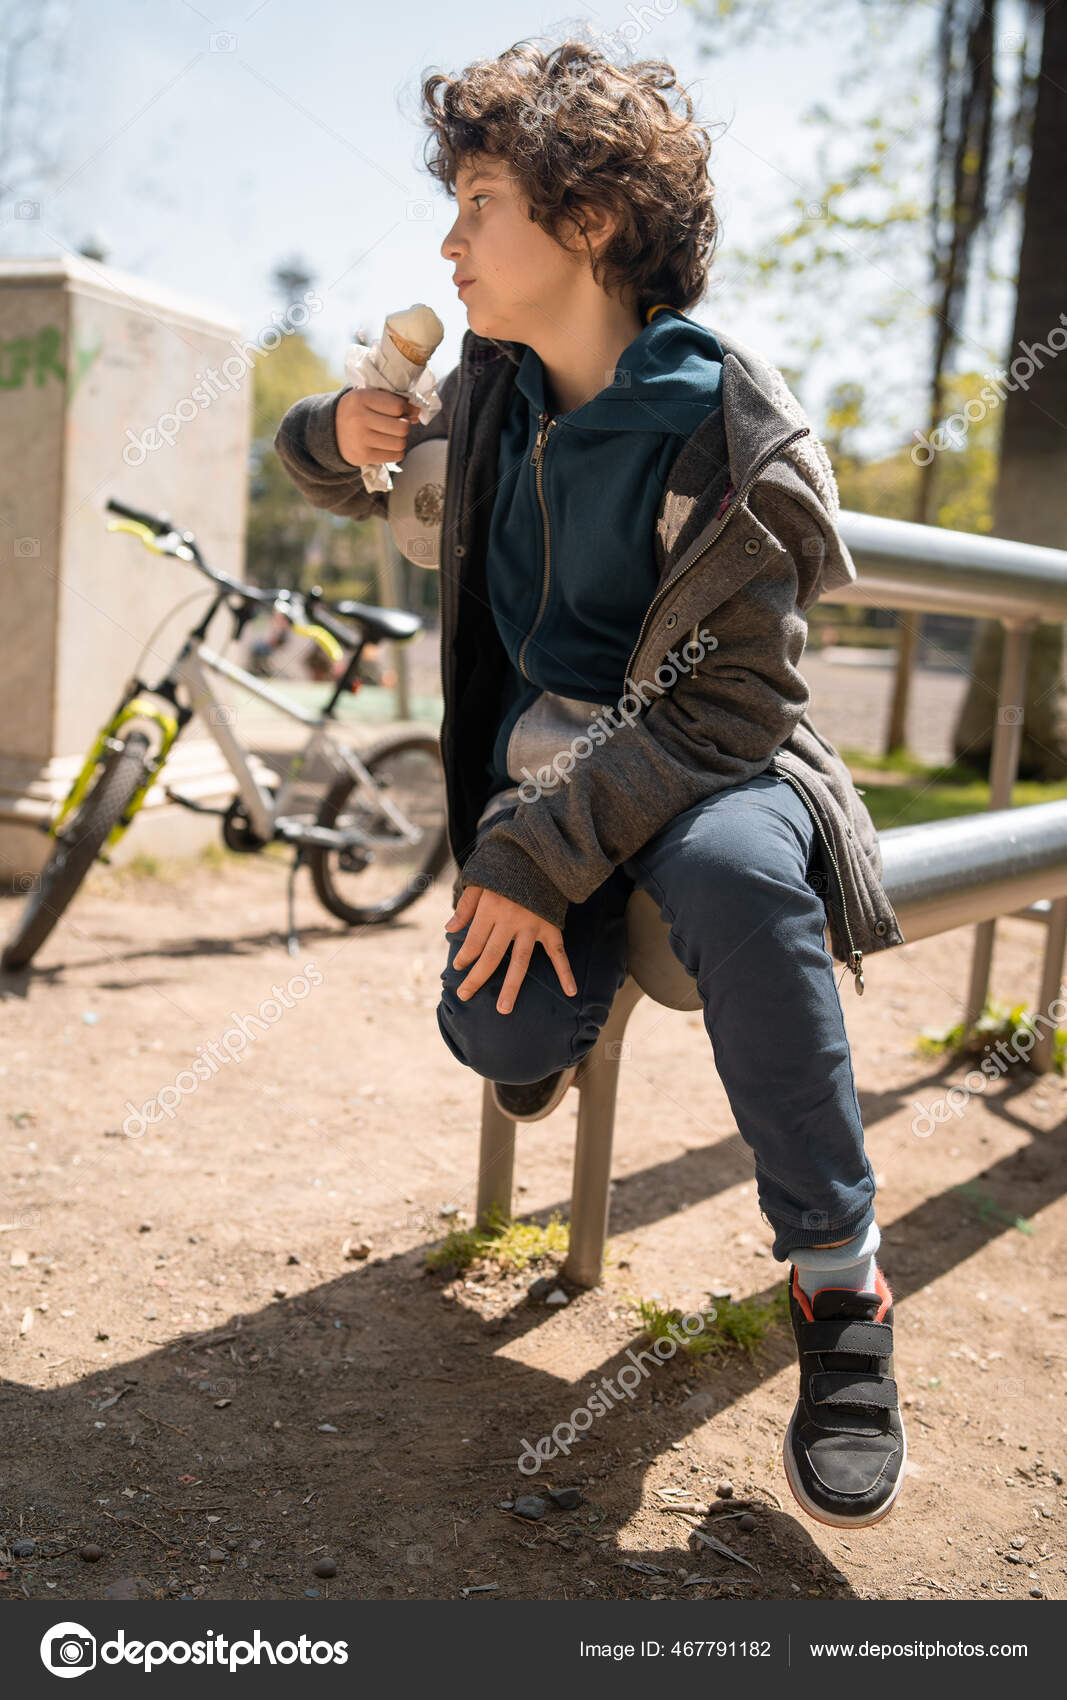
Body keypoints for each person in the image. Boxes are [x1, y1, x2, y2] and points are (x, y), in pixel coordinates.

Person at [274, 37, 906, 1528]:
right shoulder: (484, 394)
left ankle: (840, 1286)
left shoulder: (726, 425)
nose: (448, 241)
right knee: (497, 1031)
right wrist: (330, 433)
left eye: (479, 202)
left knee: (737, 882)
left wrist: (540, 846)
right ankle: (549, 1025)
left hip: (716, 763)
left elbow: (737, 701)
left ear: (593, 220)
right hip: (548, 779)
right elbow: (330, 475)